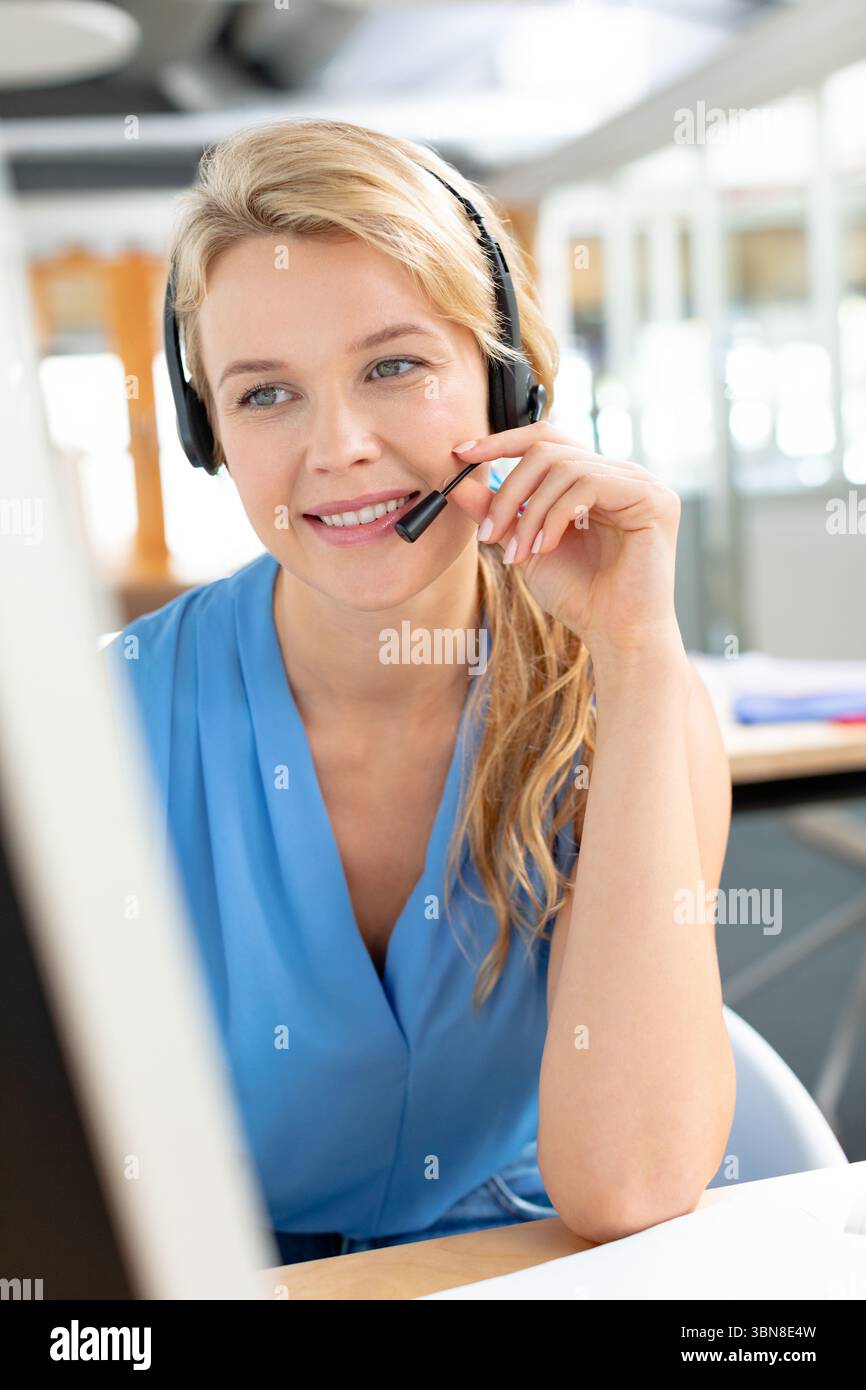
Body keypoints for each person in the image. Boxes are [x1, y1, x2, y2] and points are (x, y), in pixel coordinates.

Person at [108, 117, 735, 1266]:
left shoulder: (628, 698)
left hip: (517, 1271)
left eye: (393, 366)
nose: (339, 446)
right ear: (210, 434)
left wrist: (637, 656)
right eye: (263, 395)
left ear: (504, 381)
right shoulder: (98, 729)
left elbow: (629, 1185)